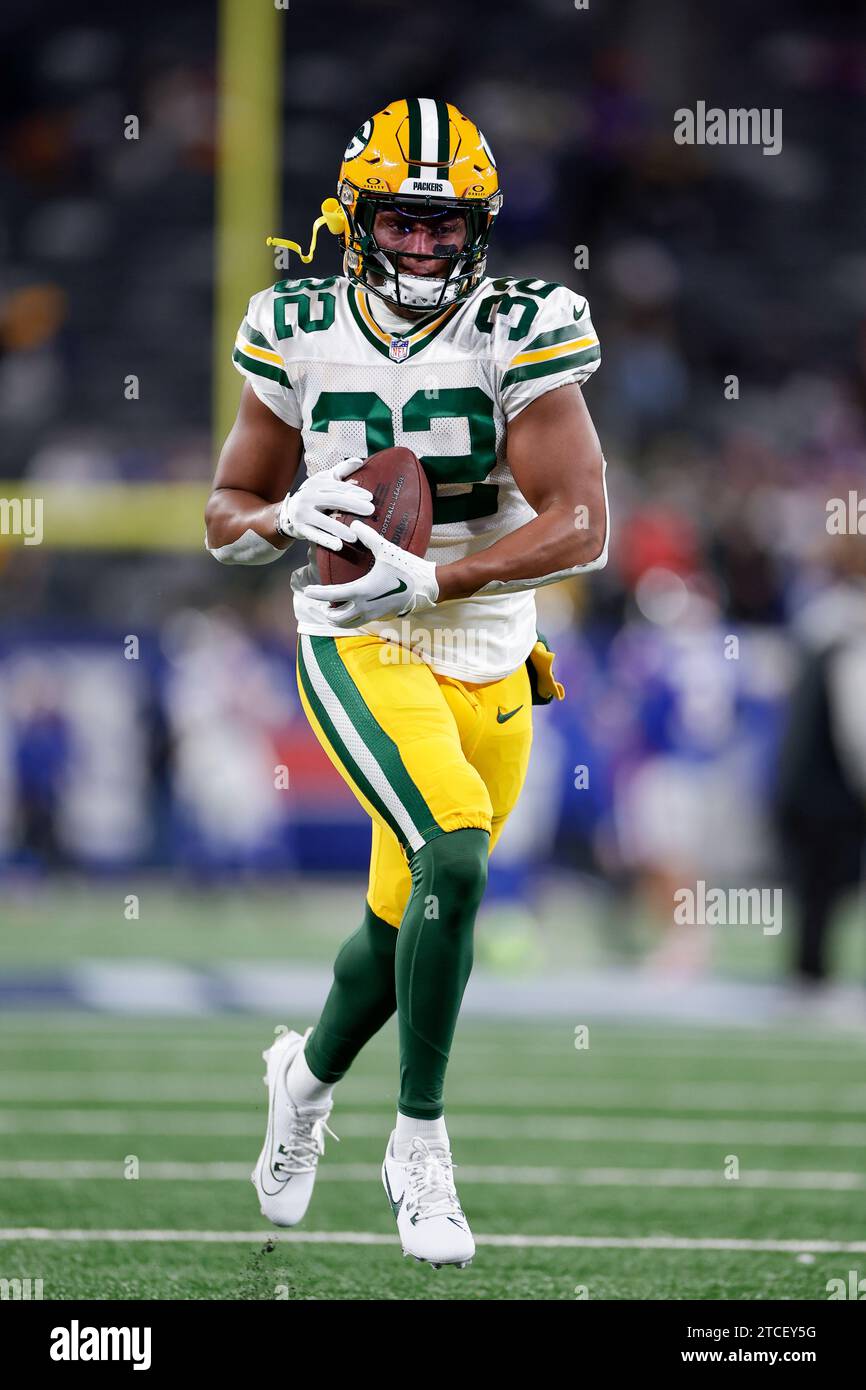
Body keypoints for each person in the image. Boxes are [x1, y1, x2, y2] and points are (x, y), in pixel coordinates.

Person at [205, 97, 609, 1268]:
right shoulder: (293, 323)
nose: (426, 247)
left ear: (478, 227)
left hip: (485, 647)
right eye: (402, 222)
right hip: (351, 636)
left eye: (446, 227)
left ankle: (305, 1074)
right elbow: (225, 516)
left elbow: (583, 522)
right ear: (353, 217)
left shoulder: (518, 327)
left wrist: (435, 582)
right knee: (460, 854)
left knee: (404, 921)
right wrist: (283, 513)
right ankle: (419, 1144)